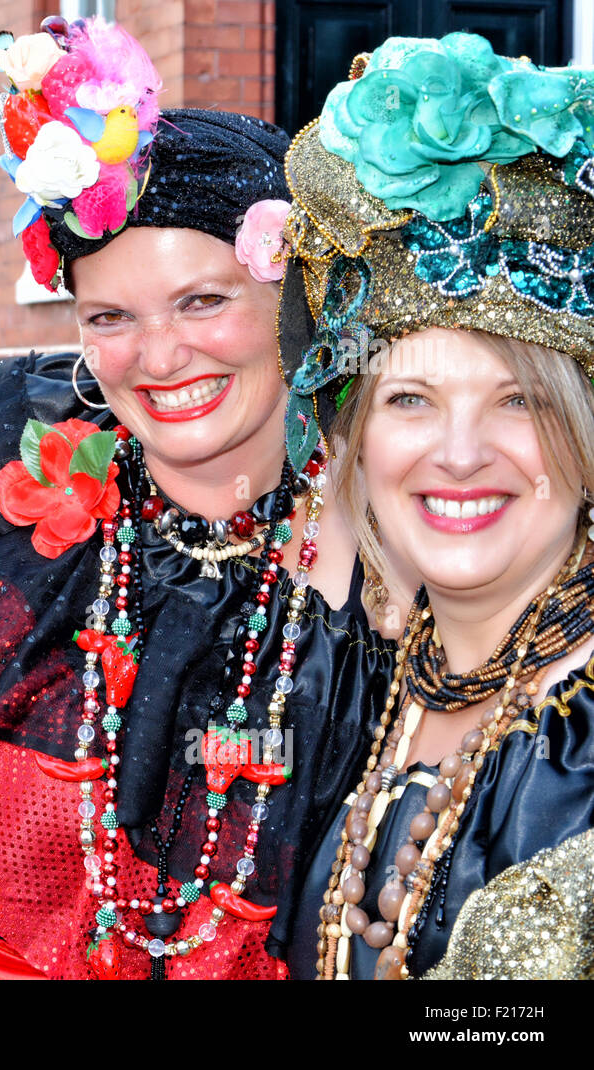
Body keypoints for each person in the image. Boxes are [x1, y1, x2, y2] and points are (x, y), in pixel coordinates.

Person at [0, 16, 395, 980]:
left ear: (294, 300)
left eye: (203, 301)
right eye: (111, 317)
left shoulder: (403, 525)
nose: (158, 357)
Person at [277, 33, 594, 979]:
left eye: (519, 402)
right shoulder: (368, 686)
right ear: (356, 440)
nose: (459, 456)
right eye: (410, 400)